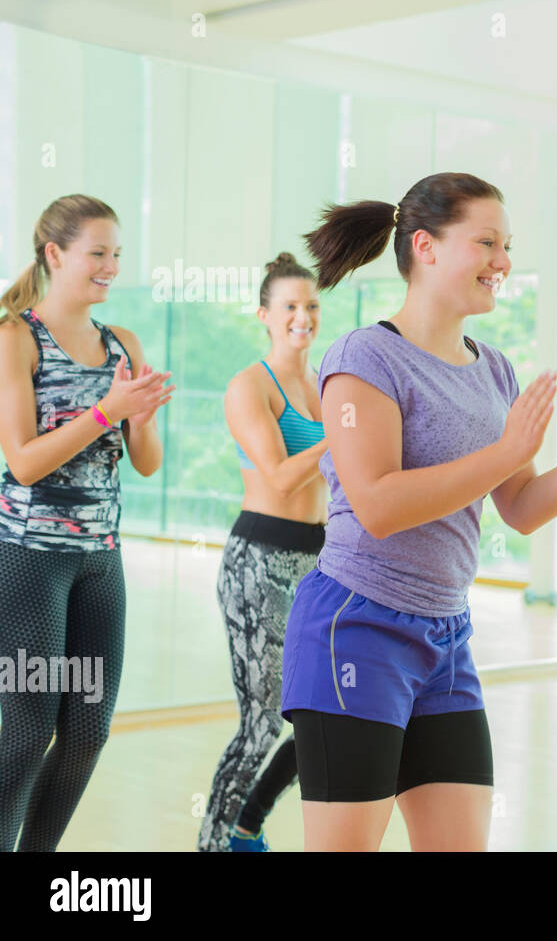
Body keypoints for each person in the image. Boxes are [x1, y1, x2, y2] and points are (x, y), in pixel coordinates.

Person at [280, 171, 557, 851]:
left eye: (508, 245)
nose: (504, 262)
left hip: (444, 639)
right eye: (486, 243)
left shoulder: (493, 367)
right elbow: (377, 505)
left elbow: (519, 508)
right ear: (426, 248)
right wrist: (505, 451)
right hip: (355, 628)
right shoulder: (363, 358)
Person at [0, 194, 173, 851]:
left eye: (117, 255)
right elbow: (22, 463)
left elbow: (147, 465)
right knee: (25, 733)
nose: (110, 267)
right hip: (28, 561)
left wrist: (142, 418)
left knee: (86, 733)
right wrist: (106, 410)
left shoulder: (120, 342)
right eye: (97, 253)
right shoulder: (16, 338)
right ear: (55, 254)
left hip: (101, 561)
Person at [197, 253, 328, 852]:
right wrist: (341, 439)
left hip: (319, 563)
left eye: (311, 306)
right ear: (265, 316)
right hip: (259, 563)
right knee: (260, 725)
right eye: (290, 308)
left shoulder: (325, 383)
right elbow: (278, 476)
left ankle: (248, 823)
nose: (303, 317)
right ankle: (214, 840)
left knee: (324, 714)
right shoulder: (250, 386)